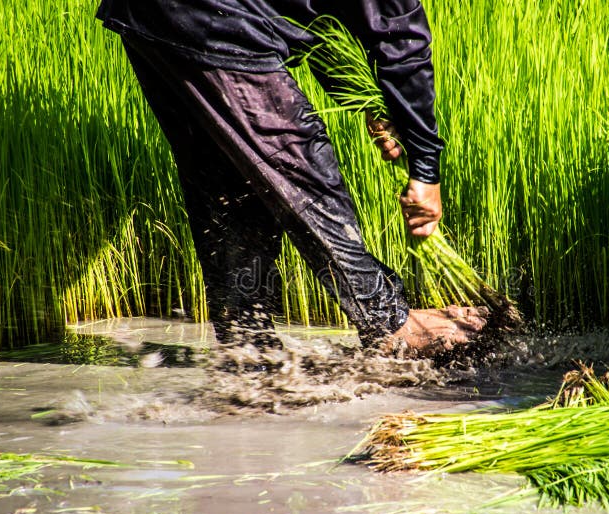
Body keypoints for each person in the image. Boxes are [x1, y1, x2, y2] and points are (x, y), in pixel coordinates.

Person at [95, 0, 486, 354]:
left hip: (150, 15)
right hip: (218, 18)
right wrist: (424, 169)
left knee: (229, 184)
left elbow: (315, 17)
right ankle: (391, 324)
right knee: (303, 166)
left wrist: (364, 95)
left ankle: (249, 354)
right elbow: (401, 40)